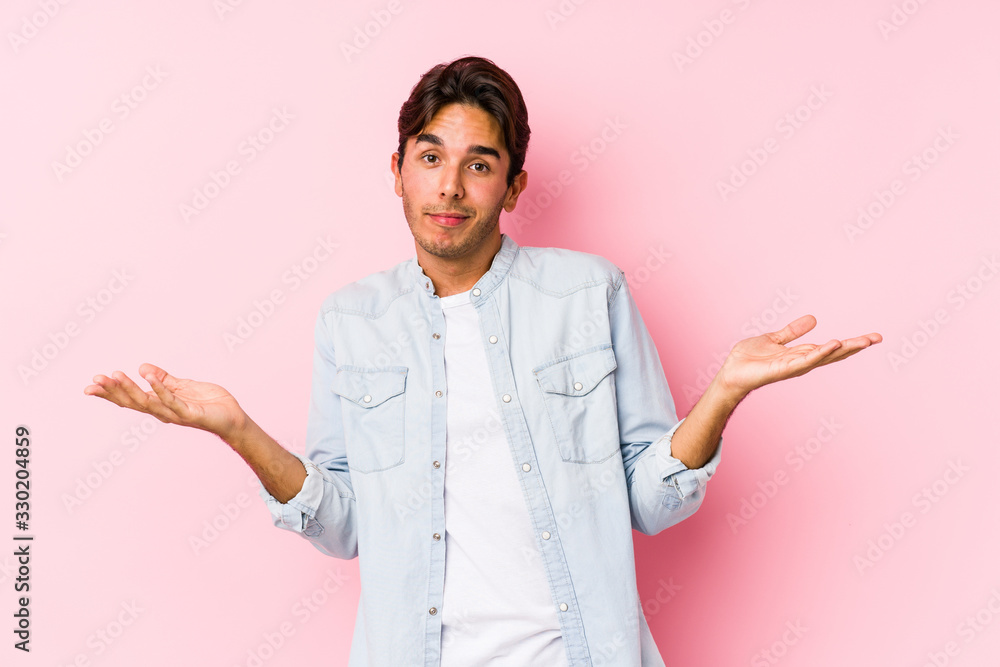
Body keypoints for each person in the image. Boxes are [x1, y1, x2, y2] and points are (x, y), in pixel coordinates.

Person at [84, 55, 881, 666]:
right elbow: (344, 525)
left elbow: (652, 503)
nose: (450, 187)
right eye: (429, 157)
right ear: (395, 170)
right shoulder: (350, 319)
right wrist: (238, 429)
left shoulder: (590, 292)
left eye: (480, 163)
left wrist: (721, 397)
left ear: (513, 183)